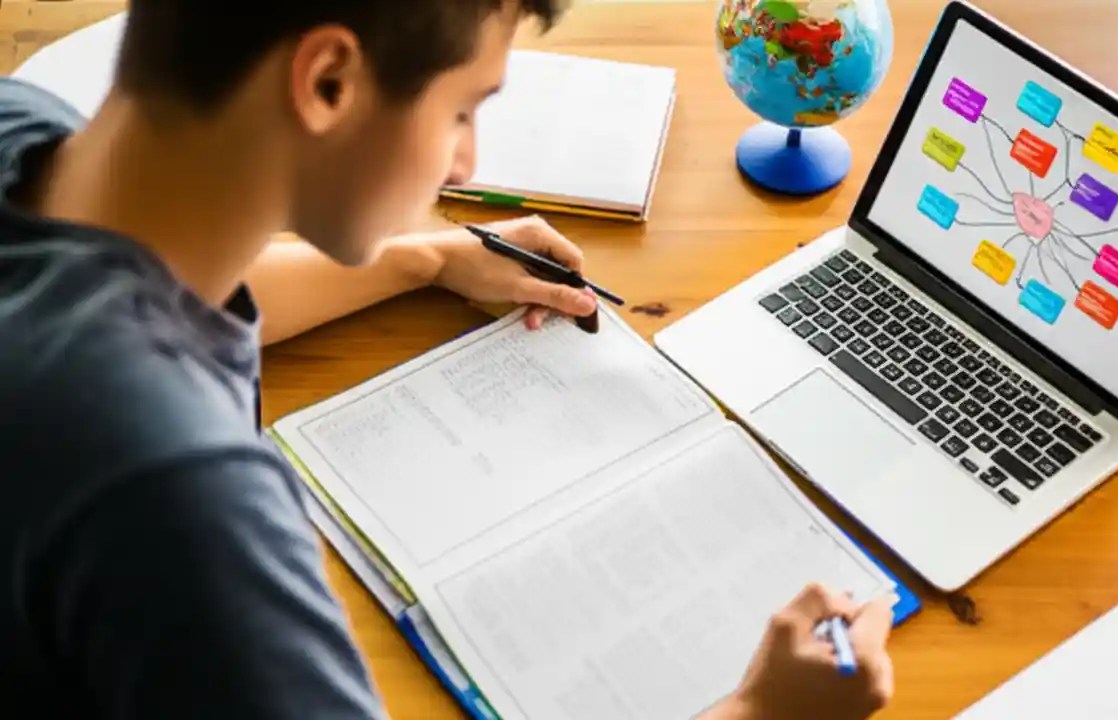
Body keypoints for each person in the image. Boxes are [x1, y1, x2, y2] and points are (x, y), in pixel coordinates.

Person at [0, 1, 895, 717]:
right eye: (462, 109)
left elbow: (166, 285)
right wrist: (759, 711)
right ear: (329, 81)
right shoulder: (176, 494)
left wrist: (423, 256)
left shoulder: (26, 129)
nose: (468, 156)